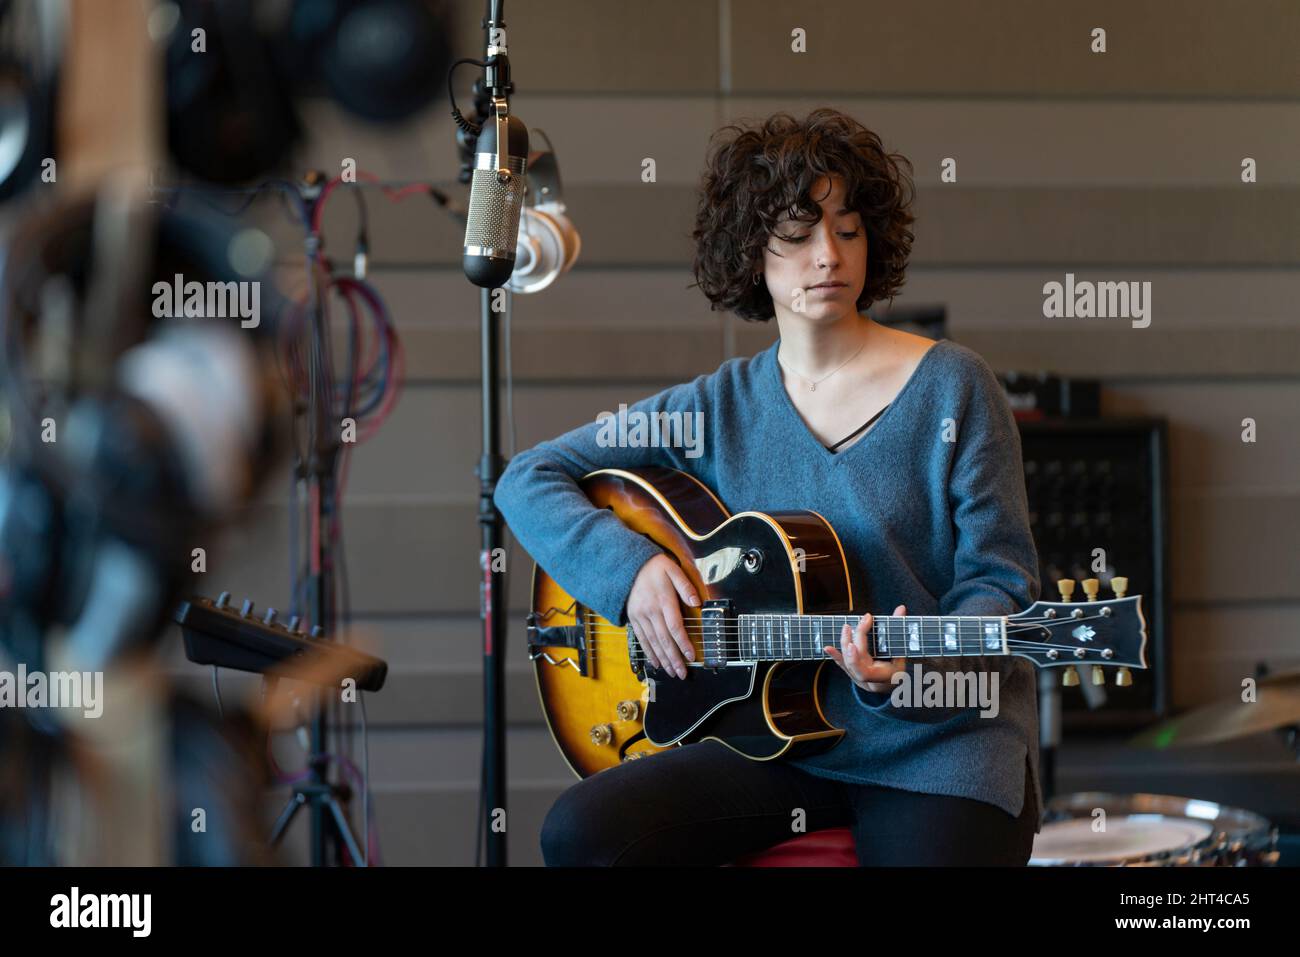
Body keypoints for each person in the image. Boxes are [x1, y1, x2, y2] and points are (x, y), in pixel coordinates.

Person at [493, 108, 1042, 866]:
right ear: (751, 249)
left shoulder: (954, 386)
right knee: (582, 833)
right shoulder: (715, 408)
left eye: (847, 229)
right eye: (797, 232)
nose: (827, 255)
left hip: (936, 747)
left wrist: (914, 670)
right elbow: (529, 478)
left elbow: (1001, 584)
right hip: (776, 742)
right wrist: (633, 573)